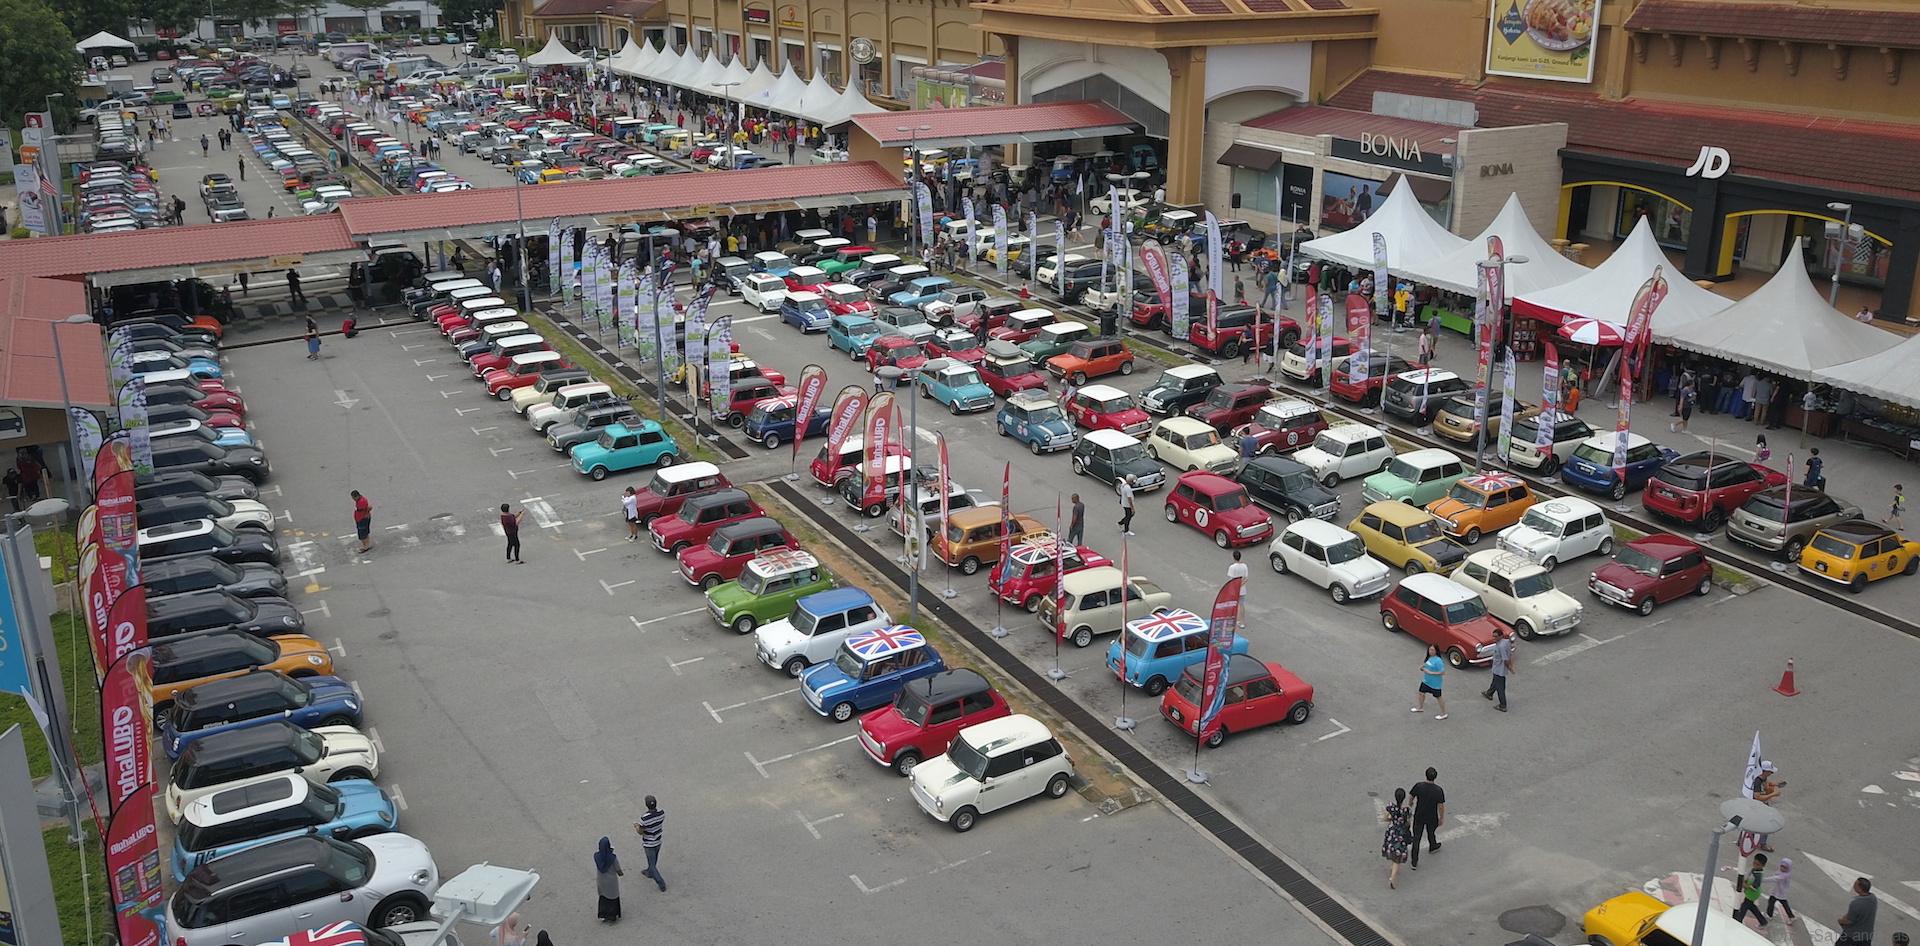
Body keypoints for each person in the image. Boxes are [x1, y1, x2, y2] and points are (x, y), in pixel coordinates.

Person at [1407, 767, 1445, 869]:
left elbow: (1411, 796)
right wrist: (1441, 818)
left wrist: (1411, 803)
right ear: (1435, 777)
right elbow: (1440, 806)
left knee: (1416, 838)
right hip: (1432, 817)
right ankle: (1432, 846)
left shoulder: (1419, 786)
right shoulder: (1438, 790)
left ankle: (1414, 862)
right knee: (1431, 832)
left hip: (1419, 815)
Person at [1381, 786, 1412, 889]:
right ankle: (1393, 877)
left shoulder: (1391, 807)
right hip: (1401, 834)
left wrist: (1392, 819)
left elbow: (1385, 818)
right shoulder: (1406, 810)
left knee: (1392, 848)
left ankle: (1392, 868)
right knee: (1398, 858)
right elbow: (1408, 822)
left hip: (1392, 831)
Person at [1477, 625, 1513, 712]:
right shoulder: (1506, 642)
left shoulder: (1501, 646)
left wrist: (1510, 667)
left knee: (1500, 687)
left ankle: (1502, 705)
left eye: (1496, 636)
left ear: (1501, 636)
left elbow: (1505, 659)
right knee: (1495, 681)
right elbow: (1510, 653)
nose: (1494, 638)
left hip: (1499, 670)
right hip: (1497, 668)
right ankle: (1489, 693)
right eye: (1493, 636)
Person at [634, 795, 666, 892]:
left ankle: (661, 883)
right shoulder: (662, 813)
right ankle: (649, 872)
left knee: (652, 864)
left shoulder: (644, 819)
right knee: (654, 859)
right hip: (658, 840)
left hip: (649, 843)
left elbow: (641, 832)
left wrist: (636, 826)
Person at [1730, 852, 1771, 927]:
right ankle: (1763, 921)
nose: (1755, 865)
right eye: (1754, 863)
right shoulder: (1754, 870)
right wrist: (1745, 881)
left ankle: (1738, 922)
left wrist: (1745, 885)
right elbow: (1749, 877)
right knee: (1752, 907)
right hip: (1750, 893)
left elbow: (1755, 887)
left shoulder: (1758, 875)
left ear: (1763, 865)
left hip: (1752, 893)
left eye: (1758, 864)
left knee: (1744, 907)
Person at [1411, 646, 1448, 719]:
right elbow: (1426, 665)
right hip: (1426, 681)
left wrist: (1431, 673)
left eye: (1432, 650)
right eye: (1430, 650)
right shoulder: (1429, 658)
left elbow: (1442, 672)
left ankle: (1444, 714)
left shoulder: (1438, 661)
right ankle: (1420, 708)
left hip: (1435, 684)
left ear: (1436, 651)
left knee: (1438, 697)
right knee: (1421, 693)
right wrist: (1422, 667)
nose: (1430, 651)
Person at [1837, 877, 1876, 944]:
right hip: (1867, 936)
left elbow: (1849, 921)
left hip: (1851, 936)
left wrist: (1840, 921)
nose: (1853, 885)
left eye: (1855, 884)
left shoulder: (1856, 903)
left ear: (1860, 889)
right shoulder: (1873, 898)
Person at [593, 836, 623, 922]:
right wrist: (621, 874)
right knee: (612, 897)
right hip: (611, 881)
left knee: (603, 897)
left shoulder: (596, 856)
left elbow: (603, 858)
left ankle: (604, 914)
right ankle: (612, 915)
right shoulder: (612, 858)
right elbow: (618, 870)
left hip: (601, 881)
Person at [1765, 856, 1796, 926]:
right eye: (1781, 866)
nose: (1782, 868)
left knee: (1784, 905)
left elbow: (1774, 879)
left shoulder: (1785, 875)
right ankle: (1769, 914)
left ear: (1788, 868)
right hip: (1776, 891)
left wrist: (1762, 880)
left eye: (1785, 867)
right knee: (1771, 902)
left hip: (1781, 892)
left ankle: (1791, 916)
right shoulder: (1780, 872)